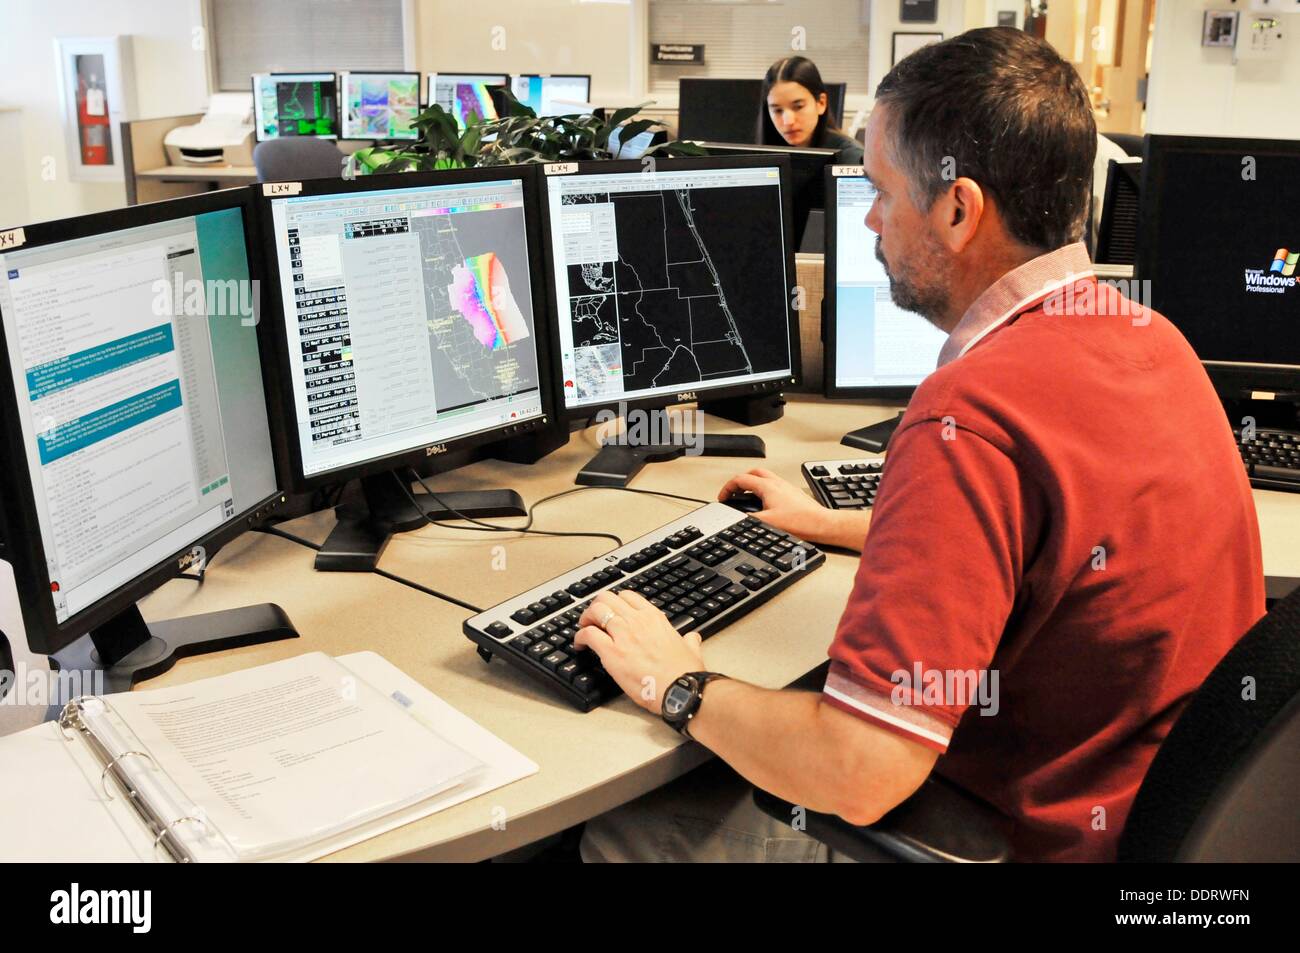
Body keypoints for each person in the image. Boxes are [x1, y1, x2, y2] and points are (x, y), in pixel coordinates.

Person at [573, 27, 1265, 863]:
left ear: (959, 209)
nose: (867, 218)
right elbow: (1048, 555)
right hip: (1145, 823)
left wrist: (675, 681)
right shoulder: (1155, 339)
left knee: (613, 830)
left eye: (881, 191)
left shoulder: (971, 416)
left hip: (1008, 842)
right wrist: (832, 524)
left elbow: (858, 769)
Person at [758, 56, 862, 165]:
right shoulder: (766, 153)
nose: (788, 121)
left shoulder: (851, 157)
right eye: (778, 110)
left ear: (821, 103)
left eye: (798, 107)